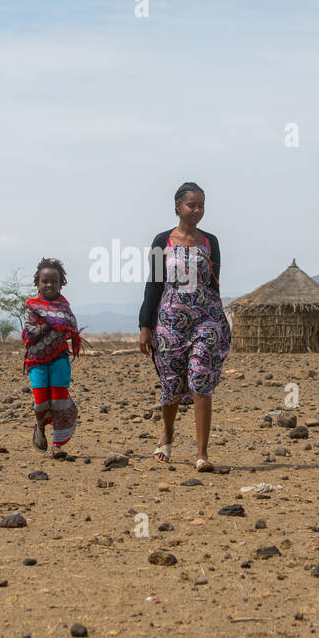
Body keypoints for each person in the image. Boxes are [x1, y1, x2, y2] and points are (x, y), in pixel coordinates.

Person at [138, 182, 231, 472]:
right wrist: (145, 325)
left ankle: (202, 453)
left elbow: (214, 284)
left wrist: (220, 322)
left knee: (201, 376)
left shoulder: (210, 242)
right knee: (171, 384)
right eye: (192, 204)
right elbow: (153, 284)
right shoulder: (161, 240)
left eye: (201, 205)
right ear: (178, 206)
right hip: (169, 322)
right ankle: (167, 434)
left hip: (205, 319)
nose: (197, 210)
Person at [23, 258, 84, 451]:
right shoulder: (31, 306)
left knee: (58, 401)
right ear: (37, 283)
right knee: (41, 403)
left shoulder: (64, 307)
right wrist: (50, 324)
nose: (49, 285)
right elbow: (28, 334)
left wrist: (53, 322)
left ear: (61, 284)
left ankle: (57, 446)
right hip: (36, 360)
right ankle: (40, 426)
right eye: (45, 281)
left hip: (59, 358)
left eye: (54, 281)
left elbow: (71, 326)